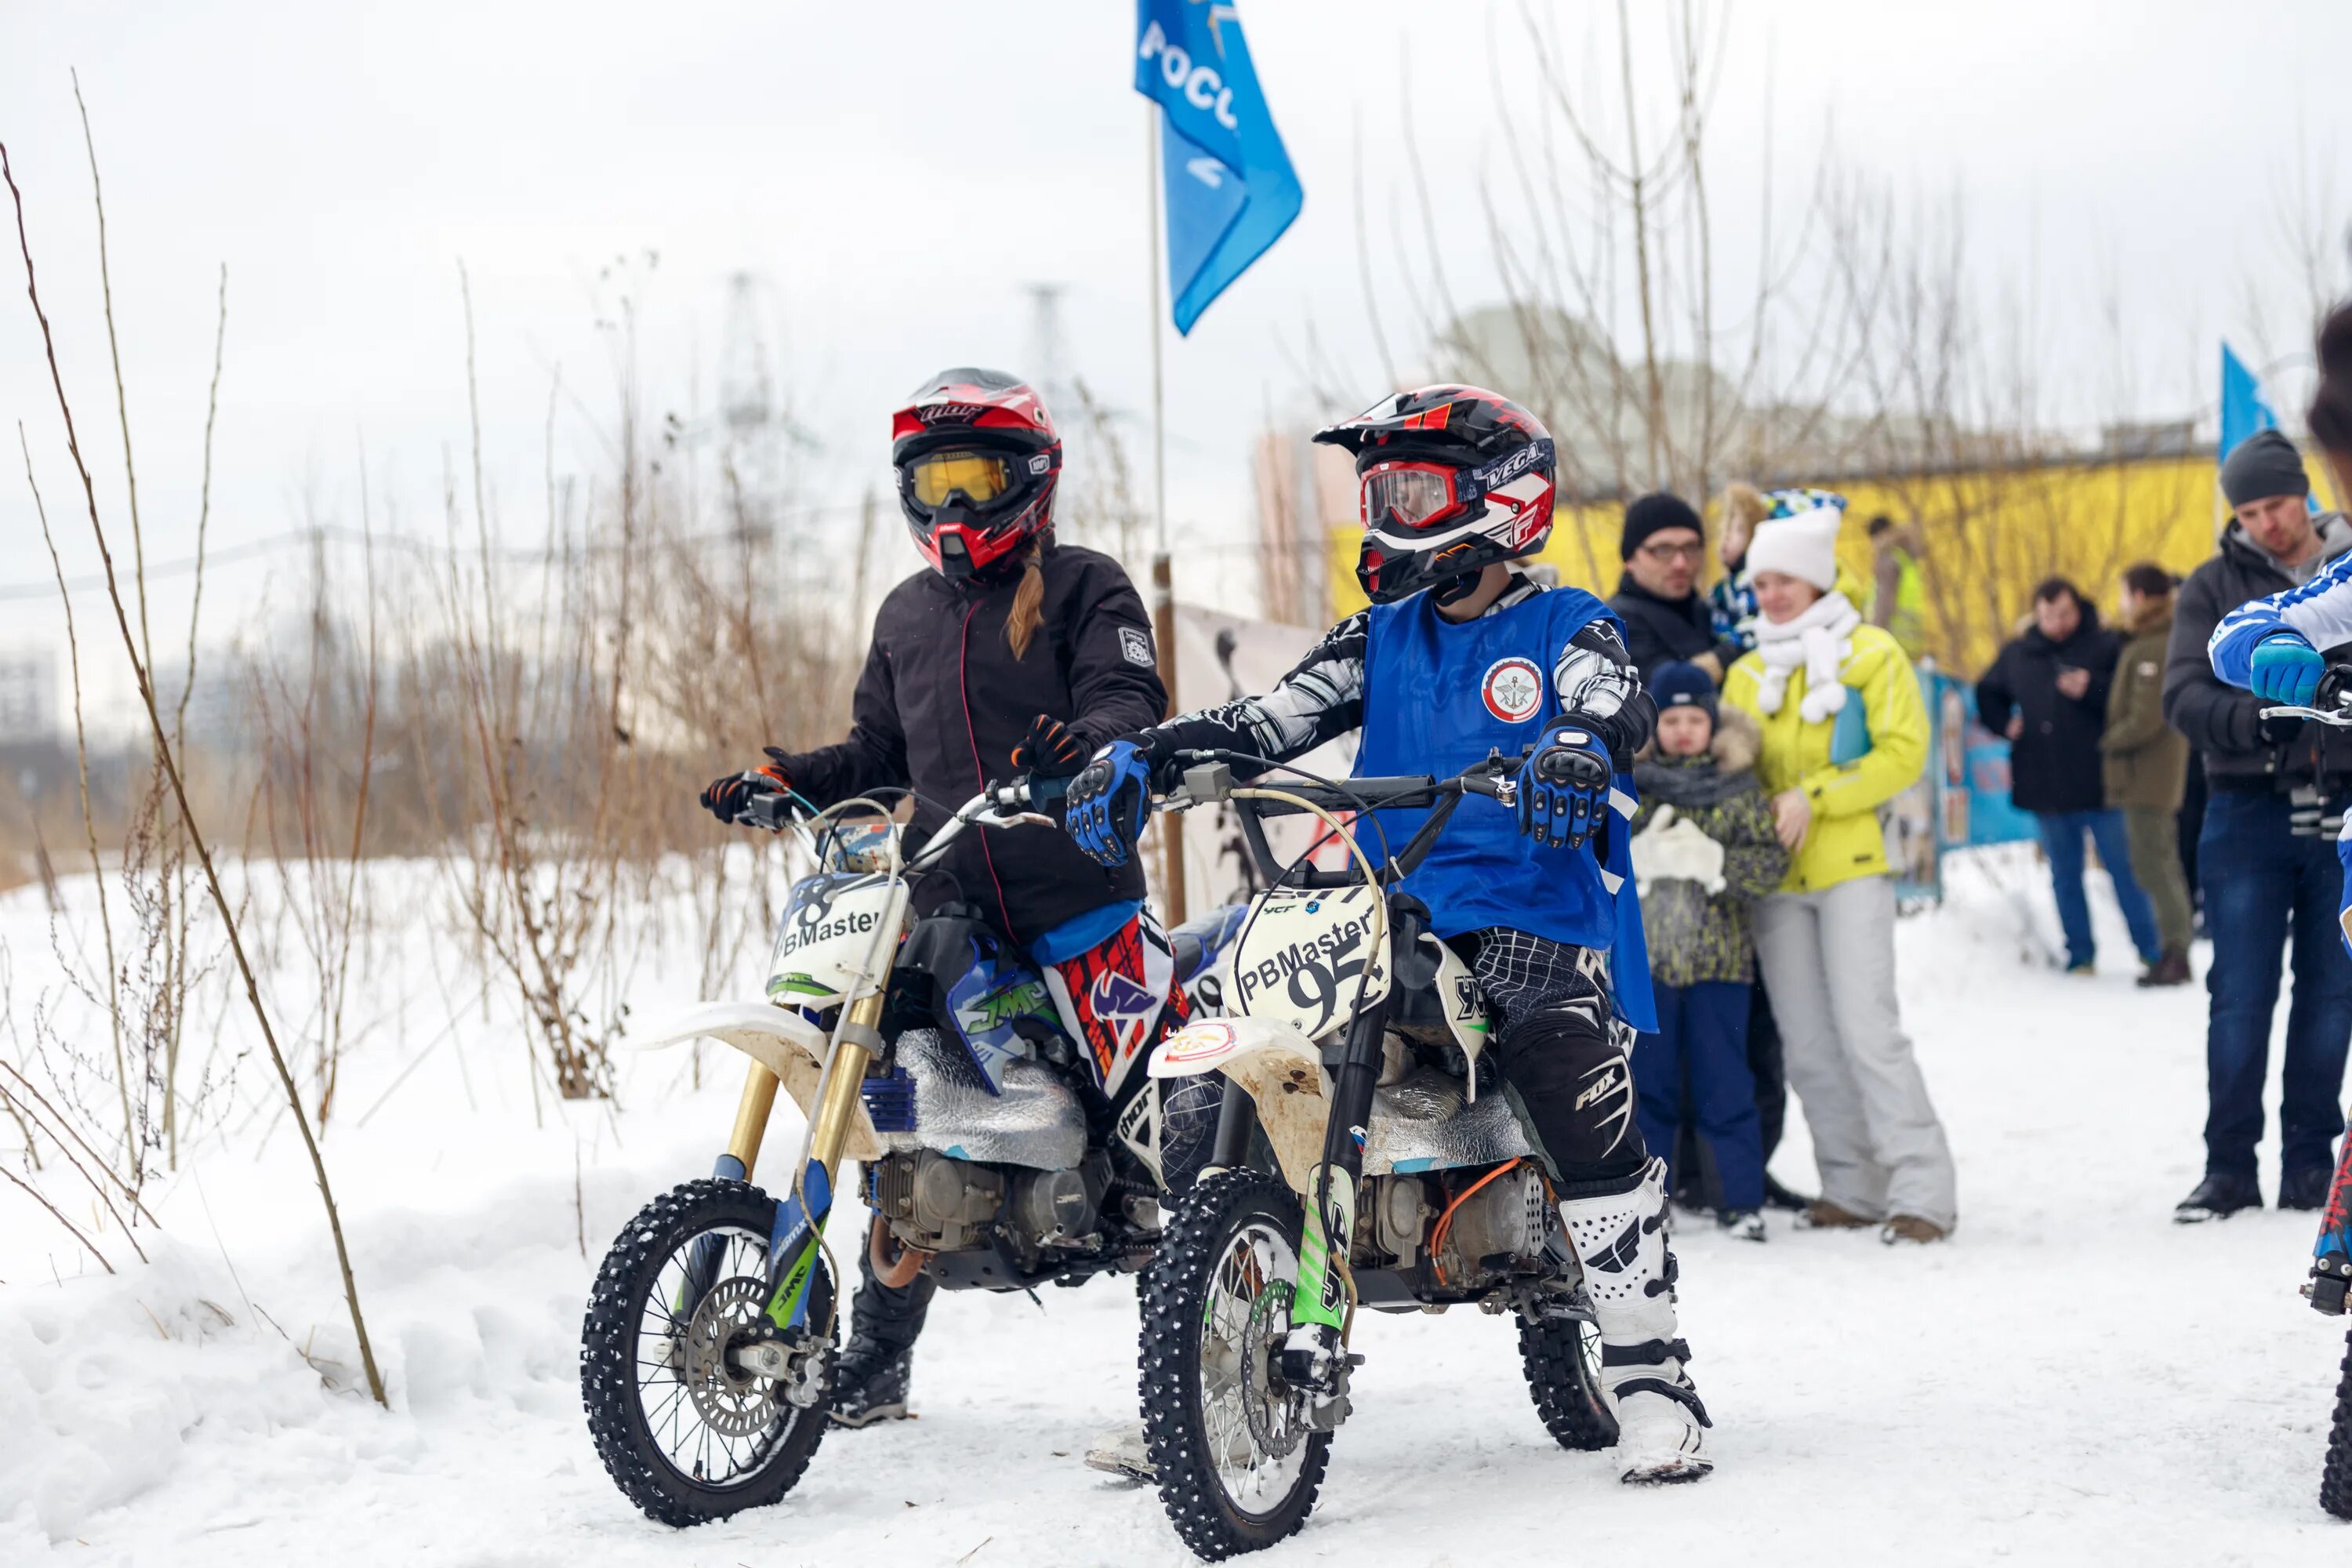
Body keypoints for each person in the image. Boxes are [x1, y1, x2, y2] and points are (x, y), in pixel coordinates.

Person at [1064, 384, 1711, 1483]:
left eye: (1410, 490)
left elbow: (1610, 702)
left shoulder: (1569, 625)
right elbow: (1273, 719)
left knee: (1560, 1060)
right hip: (1376, 903)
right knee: (1212, 1061)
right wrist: (1154, 754)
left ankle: (1653, 1378)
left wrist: (1578, 750)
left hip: (1524, 911)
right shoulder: (1377, 637)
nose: (1385, 514)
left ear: (1500, 503)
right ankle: (1205, 1365)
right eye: (1380, 492)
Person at [698, 367, 1214, 1424]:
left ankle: (1204, 1382)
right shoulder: (905, 615)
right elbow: (881, 754)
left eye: (977, 478)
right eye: (935, 483)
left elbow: (1131, 697)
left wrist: (1089, 746)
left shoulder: (1084, 586)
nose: (956, 506)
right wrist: (796, 775)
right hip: (942, 906)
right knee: (901, 1114)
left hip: (1079, 906)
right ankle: (877, 1368)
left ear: (1032, 478)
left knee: (1158, 1143)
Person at [1719, 488, 1958, 1244]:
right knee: (1808, 1041)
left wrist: (1814, 796)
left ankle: (1923, 1190)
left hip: (1852, 865)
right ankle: (1851, 1185)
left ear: (1818, 578)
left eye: (1782, 580)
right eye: (1760, 584)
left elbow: (1901, 755)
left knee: (1868, 1030)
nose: (1771, 595)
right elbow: (1732, 768)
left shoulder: (1869, 654)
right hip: (1775, 881)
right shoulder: (1746, 671)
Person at [2176, 428, 2352, 1220]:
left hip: (2339, 805)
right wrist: (2258, 719)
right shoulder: (2214, 583)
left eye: (2276, 504)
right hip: (2249, 810)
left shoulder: (2340, 562)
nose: (2266, 523)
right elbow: (2184, 693)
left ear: (2305, 491)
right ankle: (2227, 1166)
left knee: (2332, 995)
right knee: (2241, 996)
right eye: (2248, 511)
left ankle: (2312, 1164)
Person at [1628, 661, 1790, 1241]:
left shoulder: (1739, 788)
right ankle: (1645, 1203)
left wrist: (1719, 864)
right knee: (1651, 1089)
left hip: (1721, 965)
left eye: (1695, 717)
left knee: (1727, 1084)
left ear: (1713, 723)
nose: (1683, 730)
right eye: (1671, 719)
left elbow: (1771, 862)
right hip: (1650, 967)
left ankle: (1739, 1199)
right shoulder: (1633, 786)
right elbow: (1601, 856)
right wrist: (1636, 858)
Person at [1976, 580, 2165, 978]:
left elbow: (2132, 697)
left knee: (2125, 871)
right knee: (2065, 876)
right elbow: (1987, 691)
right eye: (2047, 616)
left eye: (2063, 614)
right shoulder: (2020, 652)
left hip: (2102, 786)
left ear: (2077, 609)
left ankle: (2151, 950)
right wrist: (2003, 723)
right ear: (2036, 614)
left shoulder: (2106, 645)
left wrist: (2092, 689)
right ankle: (2080, 955)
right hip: (2046, 785)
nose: (2055, 624)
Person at [2100, 564, 2194, 986]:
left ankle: (2175, 952)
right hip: (2145, 775)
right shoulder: (2150, 639)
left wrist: (2108, 740)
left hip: (2148, 775)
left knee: (2154, 864)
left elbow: (2146, 716)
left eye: (2123, 593)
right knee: (2155, 861)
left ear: (2139, 596)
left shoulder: (2155, 644)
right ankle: (2173, 950)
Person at [1612, 491, 1745, 682]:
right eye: (1663, 550)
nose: (1681, 563)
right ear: (1630, 559)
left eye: (1691, 547)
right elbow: (1664, 687)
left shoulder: (1706, 610)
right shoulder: (1614, 625)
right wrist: (1738, 649)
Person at [1866, 514, 1931, 659]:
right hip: (1910, 641)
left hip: (1890, 639)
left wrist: (1873, 637)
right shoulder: (1905, 556)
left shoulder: (1888, 559)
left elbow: (1883, 602)